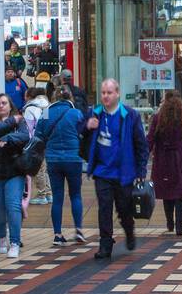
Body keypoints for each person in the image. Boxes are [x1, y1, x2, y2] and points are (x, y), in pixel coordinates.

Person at [84, 78, 148, 260]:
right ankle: (105, 244)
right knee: (104, 208)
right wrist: (87, 126)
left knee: (124, 208)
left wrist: (141, 171)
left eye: (109, 93)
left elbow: (141, 145)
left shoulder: (130, 115)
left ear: (117, 93)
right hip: (102, 172)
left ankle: (129, 230)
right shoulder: (95, 113)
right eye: (103, 92)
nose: (105, 96)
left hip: (124, 173)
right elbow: (79, 130)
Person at [147, 92, 182, 238]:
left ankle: (169, 222)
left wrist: (142, 157)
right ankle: (179, 225)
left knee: (168, 192)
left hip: (163, 160)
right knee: (180, 193)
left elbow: (150, 139)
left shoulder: (158, 118)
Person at [0, 93, 30, 259]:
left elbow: (25, 137)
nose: (1, 106)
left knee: (13, 206)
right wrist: (11, 122)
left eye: (4, 103)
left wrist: (8, 137)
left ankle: (15, 242)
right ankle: (1, 237)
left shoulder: (21, 122)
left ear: (10, 106)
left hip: (14, 171)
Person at [37, 86, 87, 245]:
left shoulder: (45, 112)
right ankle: (78, 231)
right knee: (76, 195)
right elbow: (83, 134)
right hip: (73, 159)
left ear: (54, 98)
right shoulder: (76, 113)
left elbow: (38, 134)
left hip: (53, 159)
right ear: (70, 97)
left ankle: (58, 235)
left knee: (57, 197)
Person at [23, 84, 52, 205]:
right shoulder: (45, 106)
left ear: (29, 96)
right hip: (44, 140)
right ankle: (49, 193)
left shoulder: (29, 109)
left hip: (34, 141)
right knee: (44, 168)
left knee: (38, 169)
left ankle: (42, 195)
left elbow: (28, 127)